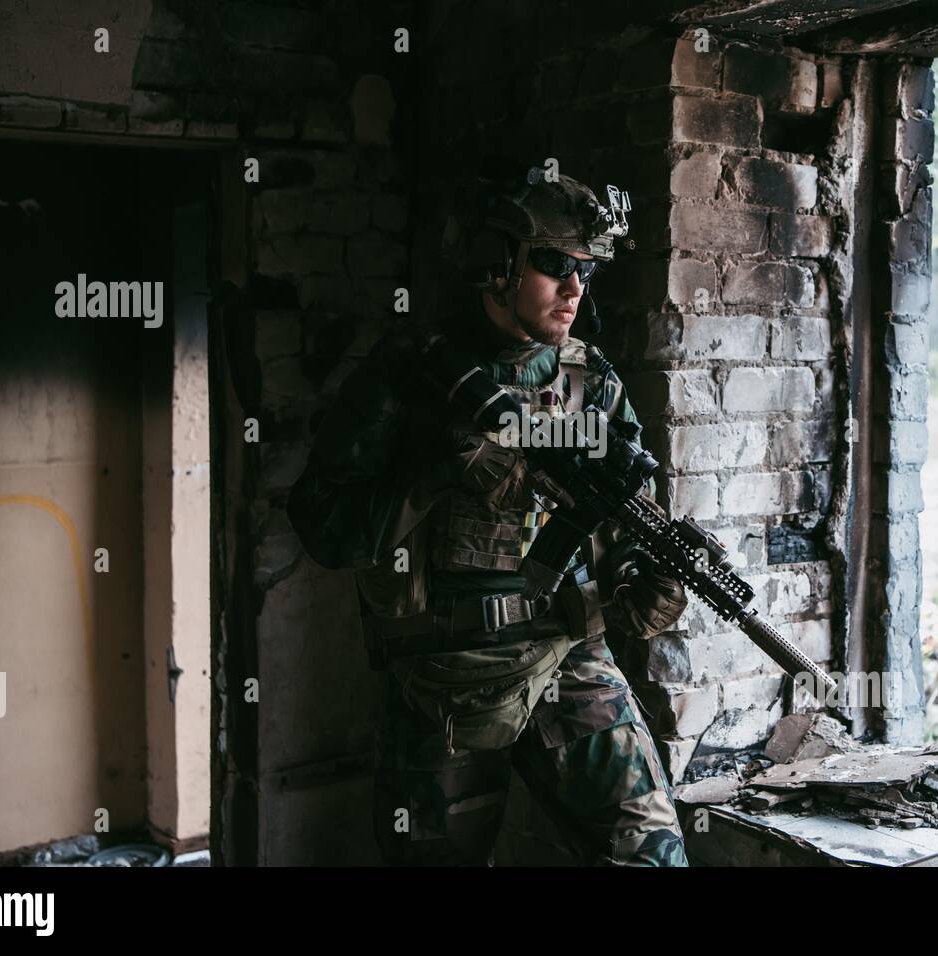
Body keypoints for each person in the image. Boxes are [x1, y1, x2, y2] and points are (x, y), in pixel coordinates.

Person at [286, 165, 689, 866]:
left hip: (568, 658)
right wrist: (443, 472)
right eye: (555, 264)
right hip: (444, 678)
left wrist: (645, 585)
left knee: (651, 857)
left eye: (586, 271)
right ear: (498, 265)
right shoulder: (411, 377)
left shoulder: (590, 383)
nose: (574, 288)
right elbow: (325, 526)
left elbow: (625, 520)